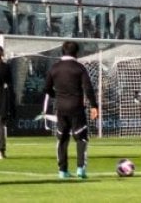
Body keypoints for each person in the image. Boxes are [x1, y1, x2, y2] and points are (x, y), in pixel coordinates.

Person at [46, 40, 99, 180]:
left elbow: (46, 88)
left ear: (62, 51)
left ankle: (62, 171)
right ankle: (81, 169)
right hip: (76, 107)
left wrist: (57, 96)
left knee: (62, 138)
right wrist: (94, 105)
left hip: (61, 107)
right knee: (81, 138)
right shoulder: (79, 68)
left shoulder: (54, 68)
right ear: (76, 53)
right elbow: (88, 88)